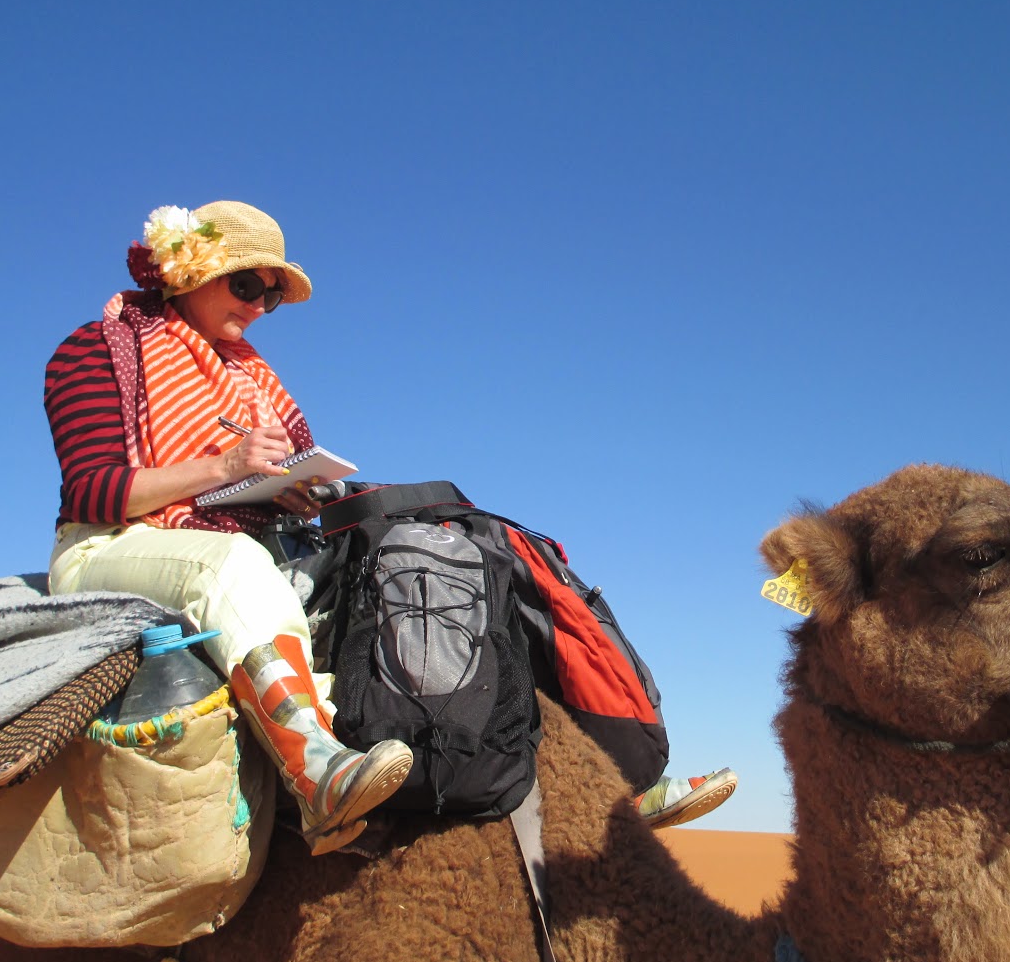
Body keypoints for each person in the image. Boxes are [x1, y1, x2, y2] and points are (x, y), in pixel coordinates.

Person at [44, 200, 736, 855]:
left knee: (467, 554)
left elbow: (275, 480)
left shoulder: (255, 381)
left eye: (271, 295)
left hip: (255, 545)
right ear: (188, 270)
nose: (258, 306)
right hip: (115, 547)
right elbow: (93, 490)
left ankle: (617, 782)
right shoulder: (97, 351)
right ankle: (313, 772)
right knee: (231, 569)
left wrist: (299, 494)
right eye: (247, 283)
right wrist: (222, 465)